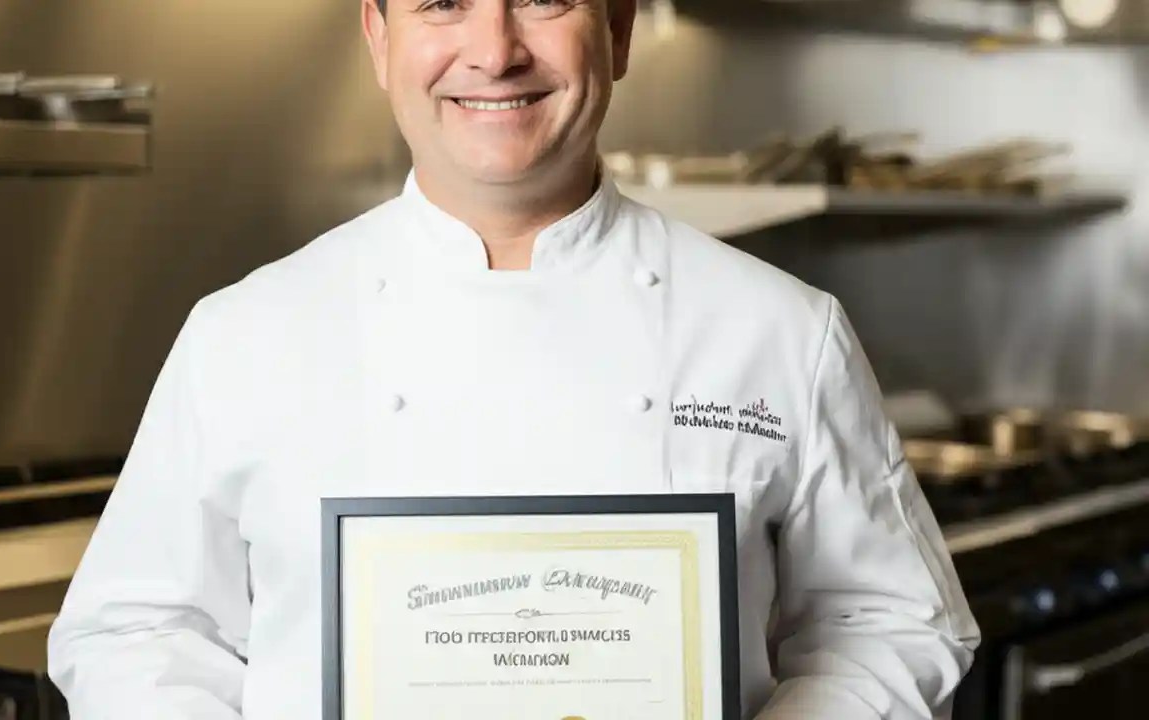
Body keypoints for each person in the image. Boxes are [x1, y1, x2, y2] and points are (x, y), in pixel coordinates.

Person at [47, 0, 980, 717]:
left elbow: (892, 621)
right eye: (442, 2)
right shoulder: (244, 334)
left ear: (617, 30)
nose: (495, 51)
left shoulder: (779, 328)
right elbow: (137, 632)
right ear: (376, 36)